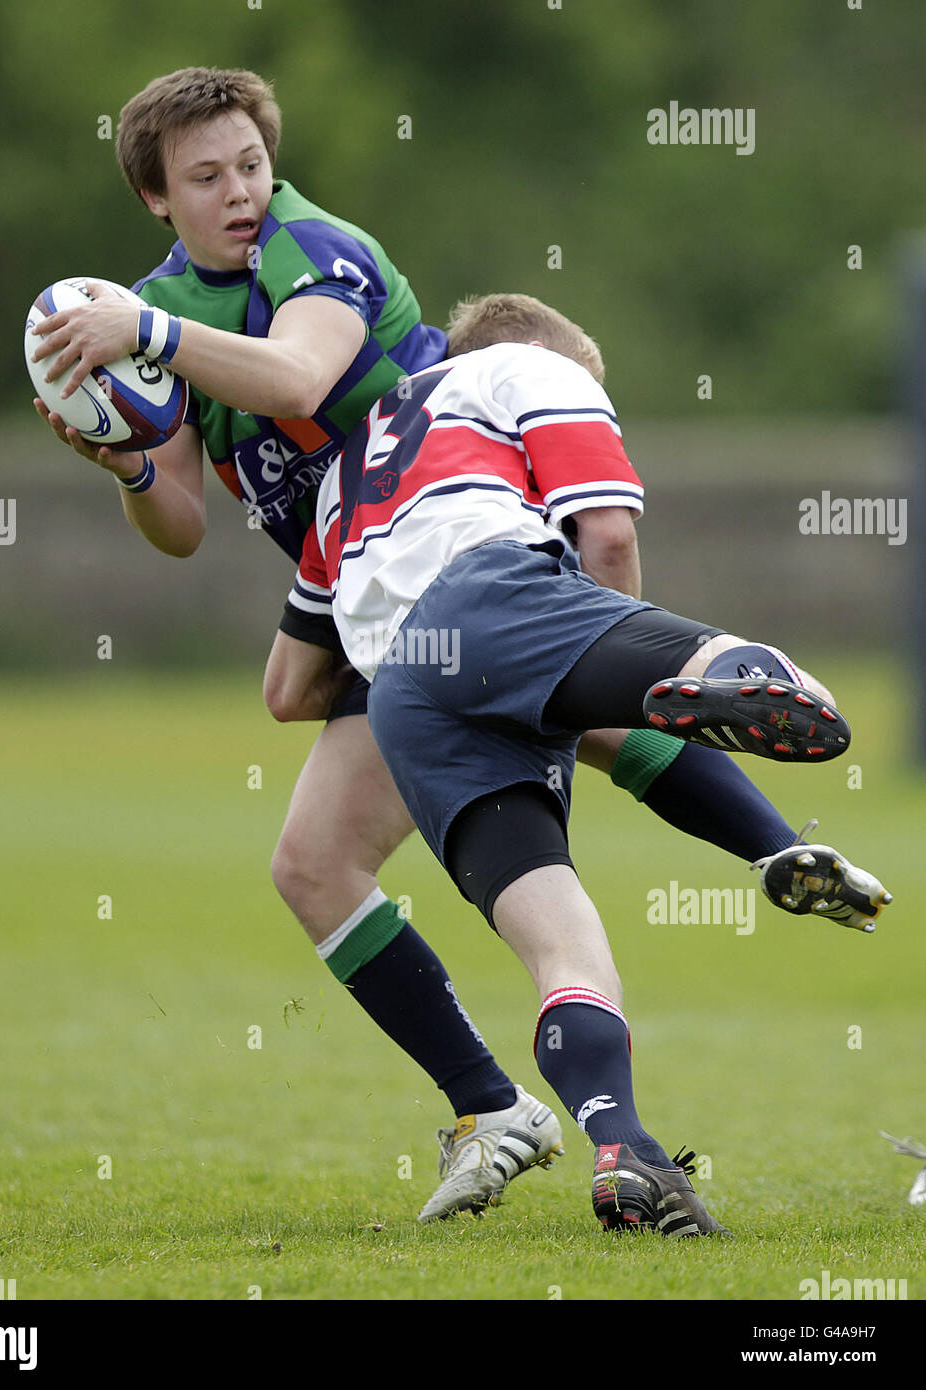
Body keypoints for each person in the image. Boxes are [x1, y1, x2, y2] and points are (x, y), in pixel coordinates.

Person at [29, 68, 887, 1222]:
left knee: (550, 732)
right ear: (154, 198)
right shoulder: (163, 311)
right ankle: (501, 1105)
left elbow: (298, 374)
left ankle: (745, 851)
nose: (239, 191)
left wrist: (146, 334)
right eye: (205, 177)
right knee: (316, 858)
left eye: (249, 164)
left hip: (441, 530)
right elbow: (178, 528)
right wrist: (129, 463)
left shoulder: (313, 249)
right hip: (358, 572)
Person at [275, 292, 892, 1234]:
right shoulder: (533, 367)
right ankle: (735, 690)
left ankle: (626, 1152)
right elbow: (605, 536)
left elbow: (288, 689)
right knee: (782, 700)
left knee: (563, 954)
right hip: (492, 590)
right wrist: (601, 661)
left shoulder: (346, 473)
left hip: (403, 696)